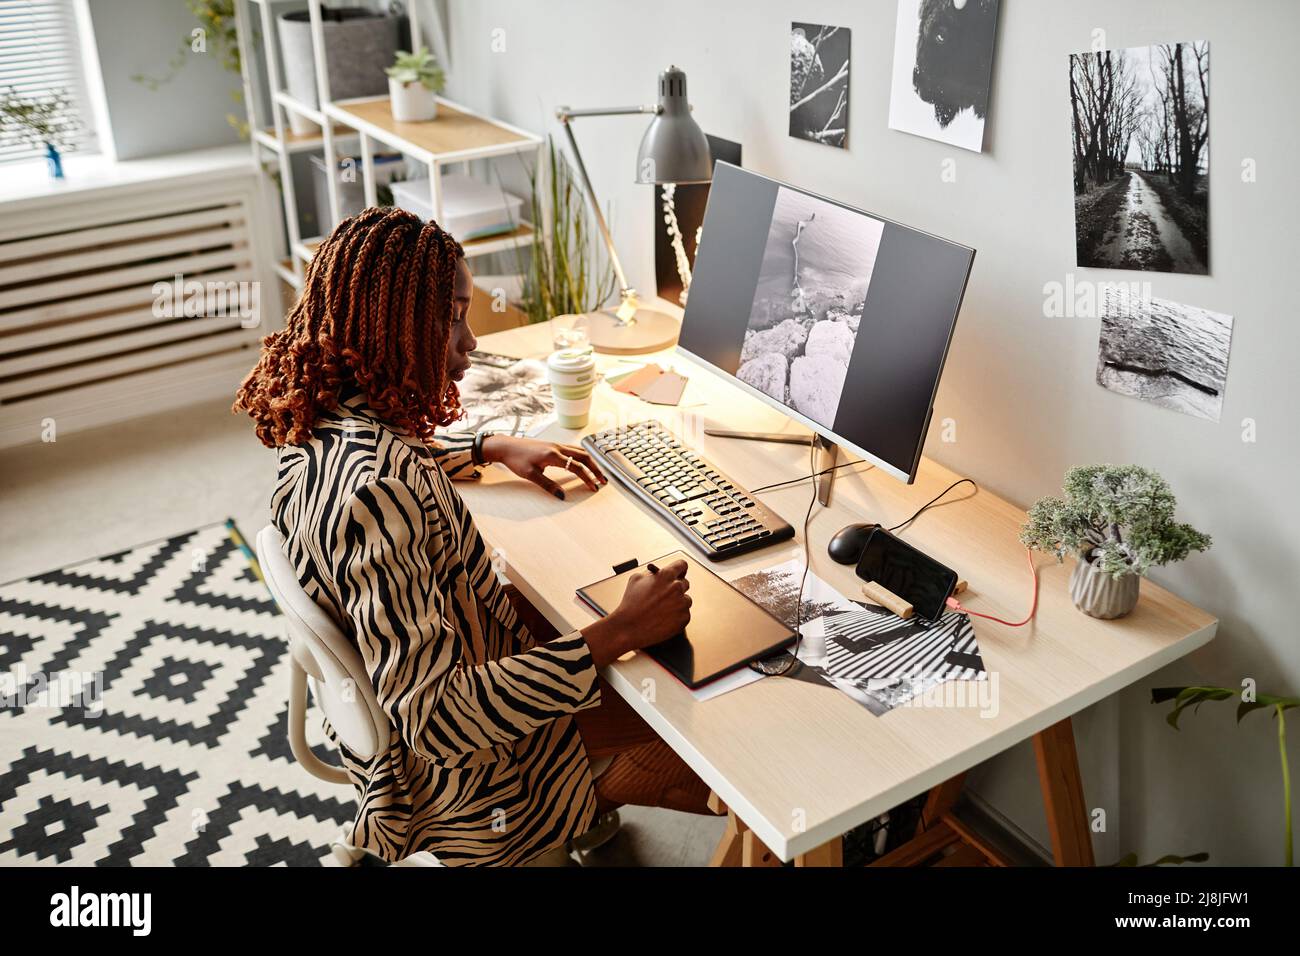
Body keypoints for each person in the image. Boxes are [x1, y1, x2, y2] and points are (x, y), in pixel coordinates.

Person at [234, 207, 711, 866]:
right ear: (387, 326)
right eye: (451, 317)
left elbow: (387, 462)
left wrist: (485, 447)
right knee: (712, 712)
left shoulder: (318, 418)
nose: (471, 342)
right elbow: (436, 719)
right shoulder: (378, 495)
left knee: (572, 599)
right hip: (483, 777)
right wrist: (620, 633)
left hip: (462, 665)